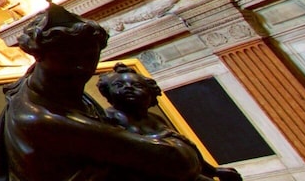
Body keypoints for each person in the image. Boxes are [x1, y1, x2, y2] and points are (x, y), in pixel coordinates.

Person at [0, 3, 226, 181]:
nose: (82, 67)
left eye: (90, 57)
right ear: (39, 56)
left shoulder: (47, 88)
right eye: (68, 59)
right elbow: (179, 162)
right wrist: (172, 143)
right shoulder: (43, 118)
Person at [96, 64, 241, 181]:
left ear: (151, 94)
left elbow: (187, 146)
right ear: (108, 93)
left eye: (137, 86)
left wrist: (213, 170)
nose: (127, 87)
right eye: (119, 85)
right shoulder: (108, 118)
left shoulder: (155, 118)